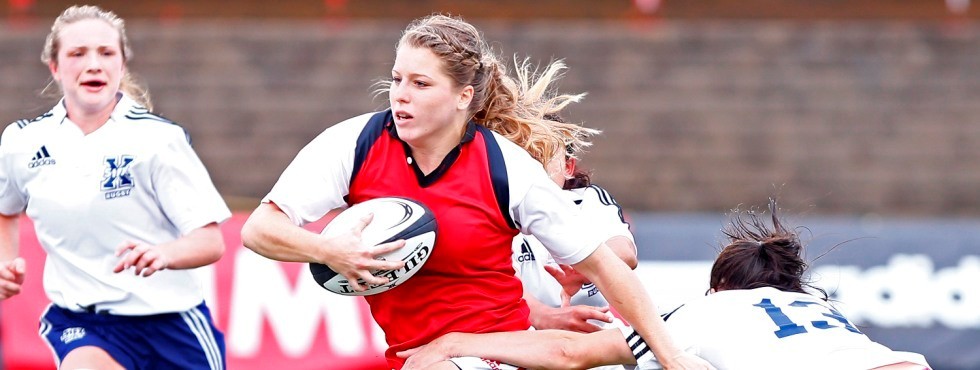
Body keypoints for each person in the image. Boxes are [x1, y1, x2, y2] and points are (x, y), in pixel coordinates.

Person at [240, 14, 711, 370]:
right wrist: (327, 249)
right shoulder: (354, 144)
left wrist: (672, 358)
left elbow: (605, 265)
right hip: (417, 357)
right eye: (397, 78)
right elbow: (261, 229)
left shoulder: (506, 168)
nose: (400, 95)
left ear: (463, 97)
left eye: (421, 84)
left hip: (499, 353)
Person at [398, 199, 932, 370]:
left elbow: (568, 351)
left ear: (720, 287)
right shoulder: (824, 314)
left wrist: (452, 343)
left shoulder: (703, 314)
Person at [0, 5, 230, 370]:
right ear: (55, 68)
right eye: (77, 54)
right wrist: (5, 262)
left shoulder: (158, 139)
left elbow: (210, 241)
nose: (94, 64)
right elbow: (5, 209)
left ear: (121, 66)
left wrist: (164, 254)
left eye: (106, 53)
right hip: (83, 324)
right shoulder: (21, 142)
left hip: (170, 327)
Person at [514, 114, 638, 338]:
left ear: (568, 167)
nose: (532, 166)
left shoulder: (589, 199)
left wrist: (582, 271)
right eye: (523, 155)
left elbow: (625, 253)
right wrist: (545, 317)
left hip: (590, 341)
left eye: (542, 154)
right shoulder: (499, 208)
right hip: (523, 340)